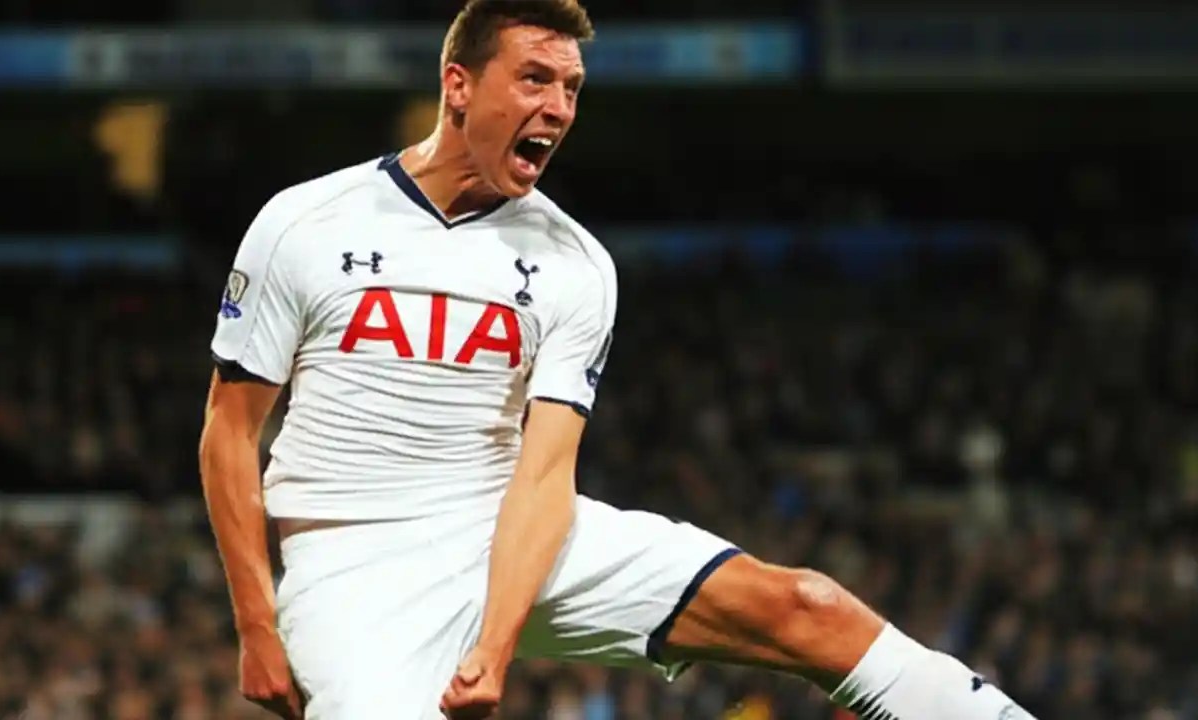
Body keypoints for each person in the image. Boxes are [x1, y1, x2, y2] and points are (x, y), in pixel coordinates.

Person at [197, 1, 1039, 718]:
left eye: (570, 89)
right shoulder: (306, 223)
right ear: (459, 84)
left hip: (505, 525)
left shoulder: (576, 263)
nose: (557, 108)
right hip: (355, 560)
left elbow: (544, 476)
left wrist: (495, 641)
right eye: (534, 79)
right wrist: (257, 627)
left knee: (806, 606)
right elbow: (230, 437)